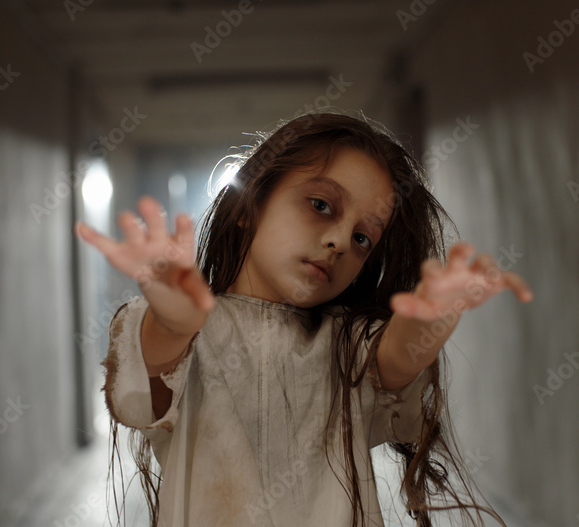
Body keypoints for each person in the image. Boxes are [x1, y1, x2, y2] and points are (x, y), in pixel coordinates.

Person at [74, 111, 533, 527]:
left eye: (362, 238)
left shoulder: (347, 343)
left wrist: (430, 318)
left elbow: (393, 362)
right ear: (249, 204)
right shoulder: (189, 335)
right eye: (320, 205)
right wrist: (174, 322)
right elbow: (147, 381)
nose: (338, 240)